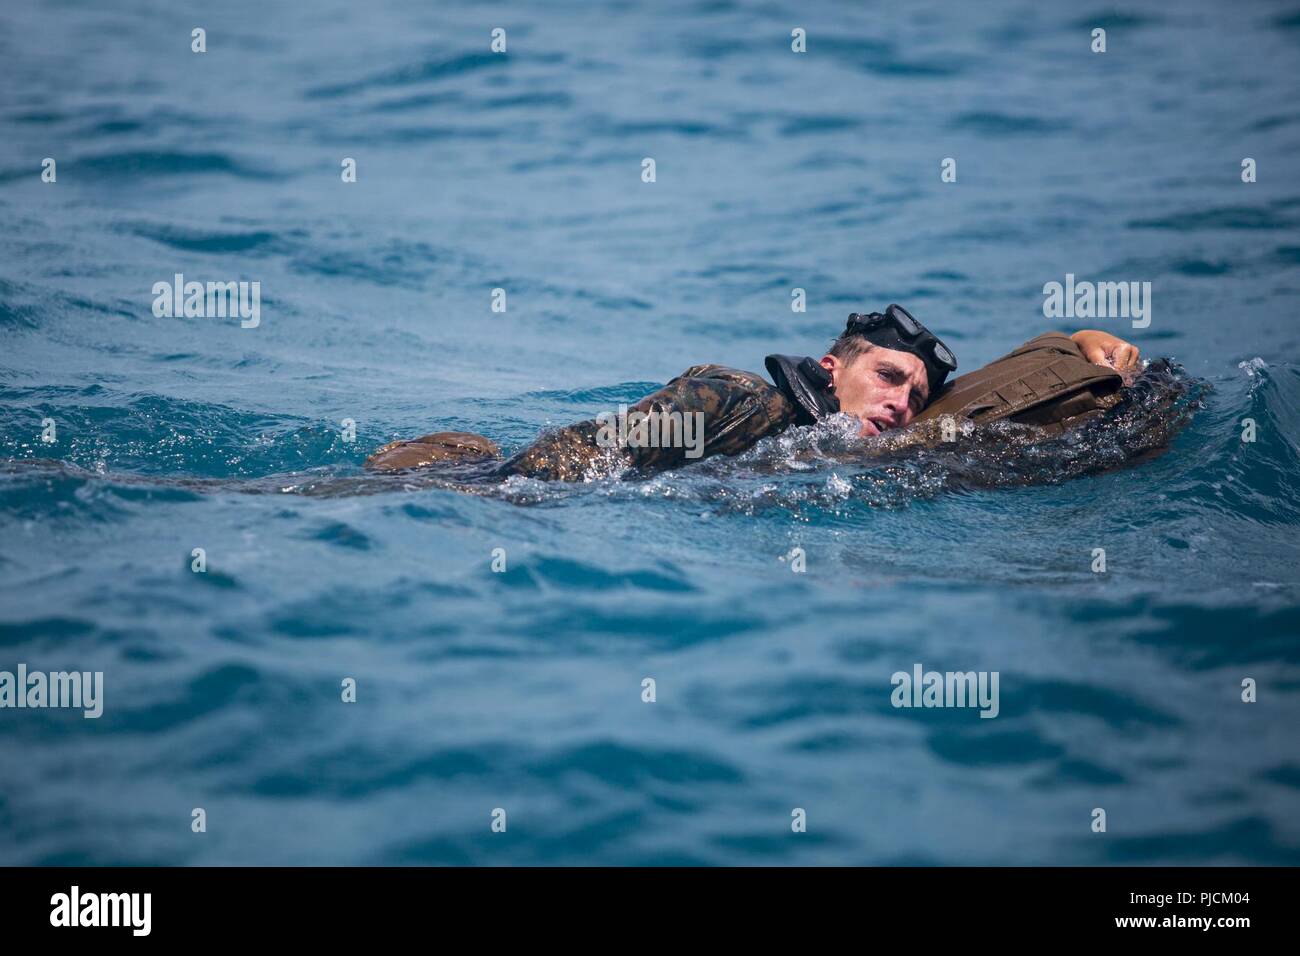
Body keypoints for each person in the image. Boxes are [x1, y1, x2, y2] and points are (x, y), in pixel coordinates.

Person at [364, 304, 1142, 481]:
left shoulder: (846, 454)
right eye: (890, 375)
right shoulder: (736, 399)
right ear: (832, 369)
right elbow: (598, 448)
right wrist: (509, 499)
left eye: (917, 393)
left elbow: (986, 402)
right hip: (474, 489)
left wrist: (1074, 347)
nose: (904, 401)